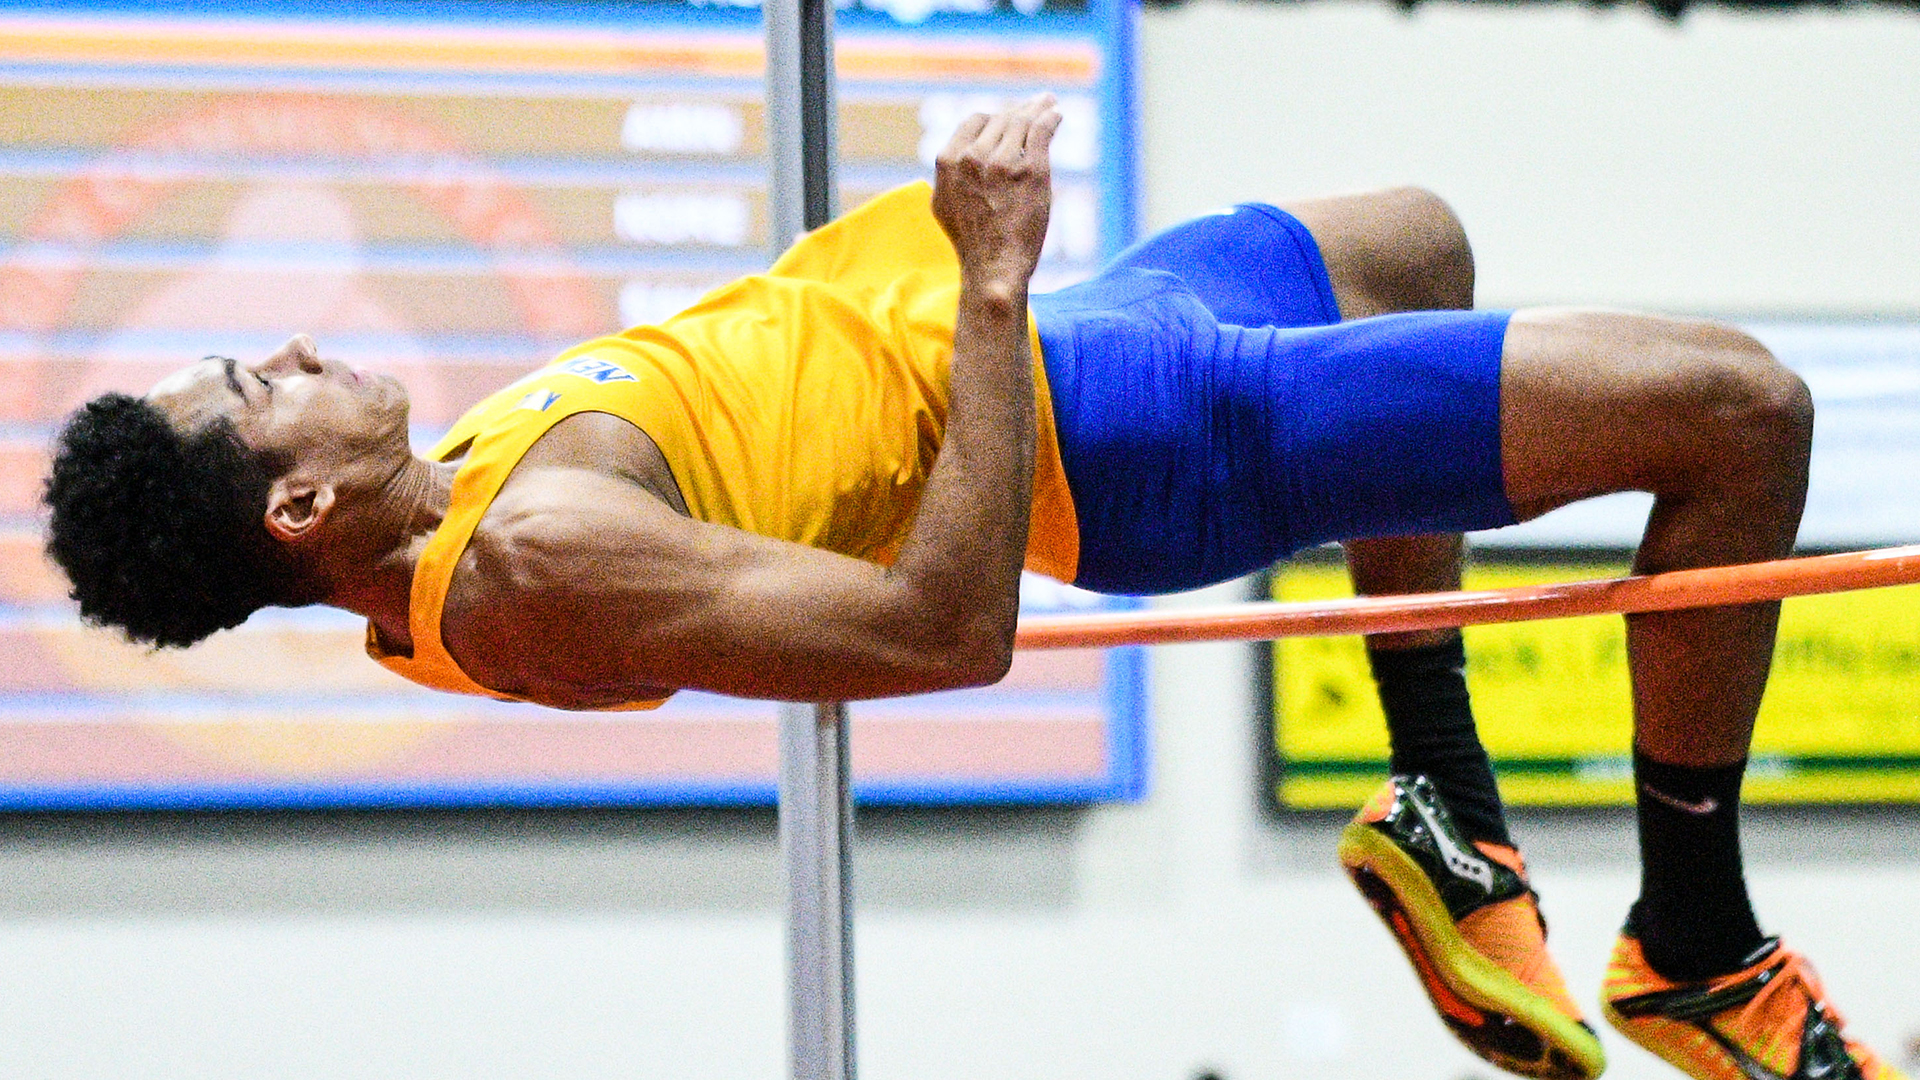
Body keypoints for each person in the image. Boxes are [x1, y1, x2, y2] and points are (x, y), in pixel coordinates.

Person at [42, 95, 1901, 1080]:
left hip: (1100, 329)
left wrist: (1008, 297)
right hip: (1146, 433)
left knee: (1412, 239)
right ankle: (1700, 941)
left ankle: (1446, 805)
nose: (289, 348)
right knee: (1743, 414)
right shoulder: (535, 569)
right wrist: (994, 281)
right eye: (255, 386)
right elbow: (946, 636)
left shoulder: (449, 500)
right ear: (297, 502)